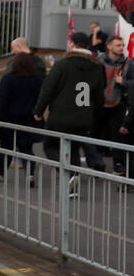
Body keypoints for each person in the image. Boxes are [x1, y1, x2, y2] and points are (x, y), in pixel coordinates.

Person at [33, 30, 105, 171]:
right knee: (73, 150)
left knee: (50, 147)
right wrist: (94, 117)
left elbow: (48, 90)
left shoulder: (63, 64)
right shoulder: (97, 66)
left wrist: (39, 111)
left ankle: (67, 173)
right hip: (83, 117)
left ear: (72, 44)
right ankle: (72, 184)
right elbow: (99, 96)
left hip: (61, 116)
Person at [0, 52, 43, 184]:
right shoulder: (37, 80)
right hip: (28, 119)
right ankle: (30, 173)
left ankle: (1, 173)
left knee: (5, 148)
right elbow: (40, 99)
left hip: (9, 118)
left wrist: (0, 118)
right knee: (26, 149)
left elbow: (2, 100)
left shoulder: (8, 79)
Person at [98, 35, 133, 174]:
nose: (121, 48)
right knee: (96, 133)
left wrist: (124, 82)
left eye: (122, 45)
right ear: (109, 46)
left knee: (118, 136)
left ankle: (118, 164)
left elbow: (133, 83)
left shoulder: (128, 63)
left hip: (118, 104)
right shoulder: (98, 61)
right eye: (118, 45)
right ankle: (96, 162)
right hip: (100, 103)